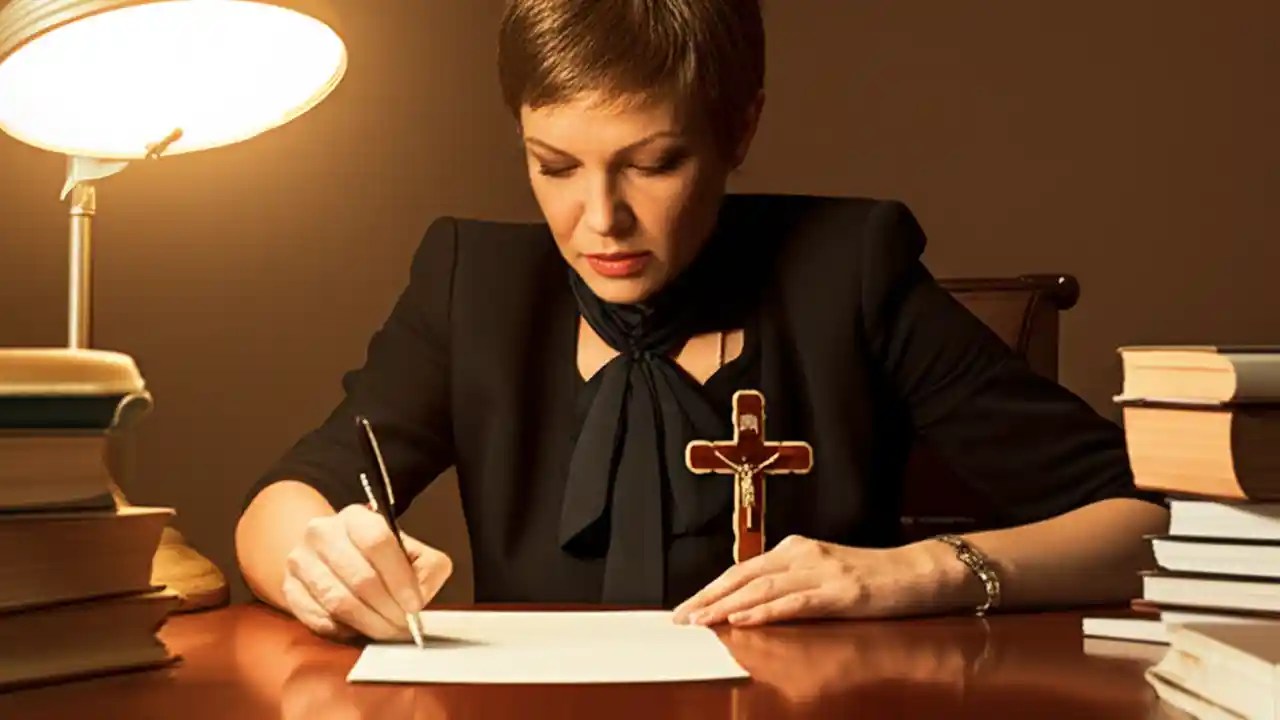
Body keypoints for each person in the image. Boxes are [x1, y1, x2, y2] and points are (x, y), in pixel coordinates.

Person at [235, 0, 1168, 642]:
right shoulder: (469, 281)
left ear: (740, 128)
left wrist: (916, 572)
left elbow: (1150, 524)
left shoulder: (849, 270)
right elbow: (284, 504)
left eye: (654, 163)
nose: (600, 221)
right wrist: (318, 561)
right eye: (554, 165)